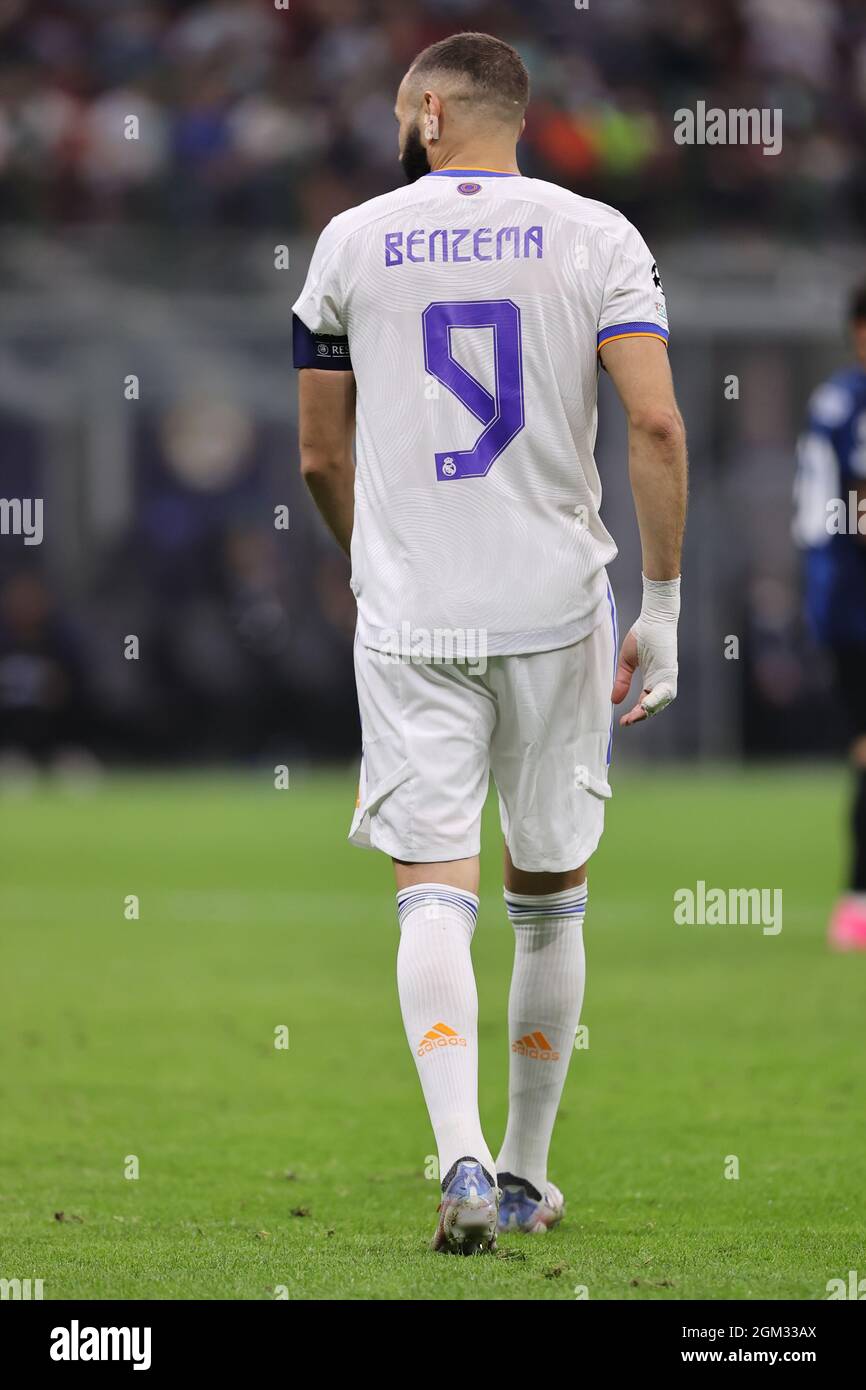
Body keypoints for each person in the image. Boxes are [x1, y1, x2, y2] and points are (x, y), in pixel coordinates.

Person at [292, 31, 687, 1253]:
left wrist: (368, 559)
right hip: (552, 608)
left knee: (430, 892)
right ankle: (521, 1170)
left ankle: (455, 1156)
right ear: (516, 117)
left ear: (424, 111)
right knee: (548, 899)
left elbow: (317, 452)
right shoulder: (598, 236)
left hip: (413, 611)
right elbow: (659, 426)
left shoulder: (350, 242)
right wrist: (664, 609)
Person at [794, 282, 866, 951]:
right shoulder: (847, 405)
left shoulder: (834, 402)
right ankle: (856, 897)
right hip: (852, 603)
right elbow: (843, 510)